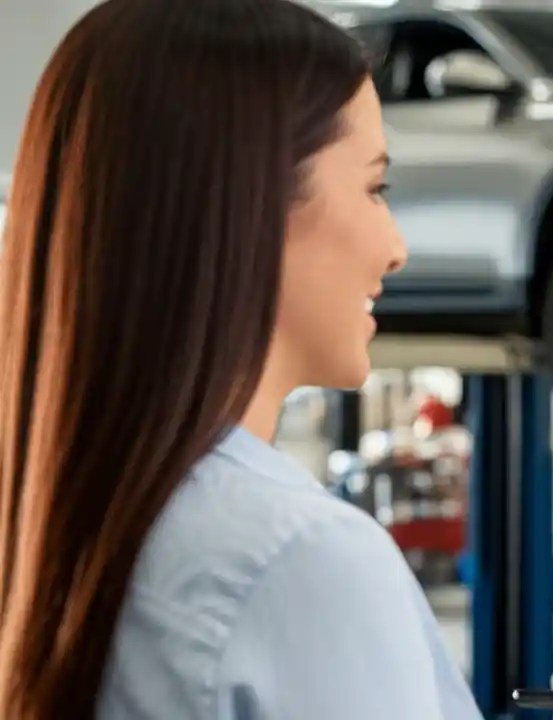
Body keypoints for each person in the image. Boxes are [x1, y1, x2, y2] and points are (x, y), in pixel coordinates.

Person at [0, 1, 483, 718]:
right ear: (253, 207)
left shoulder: (49, 531)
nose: (396, 246)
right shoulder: (298, 559)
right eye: (375, 188)